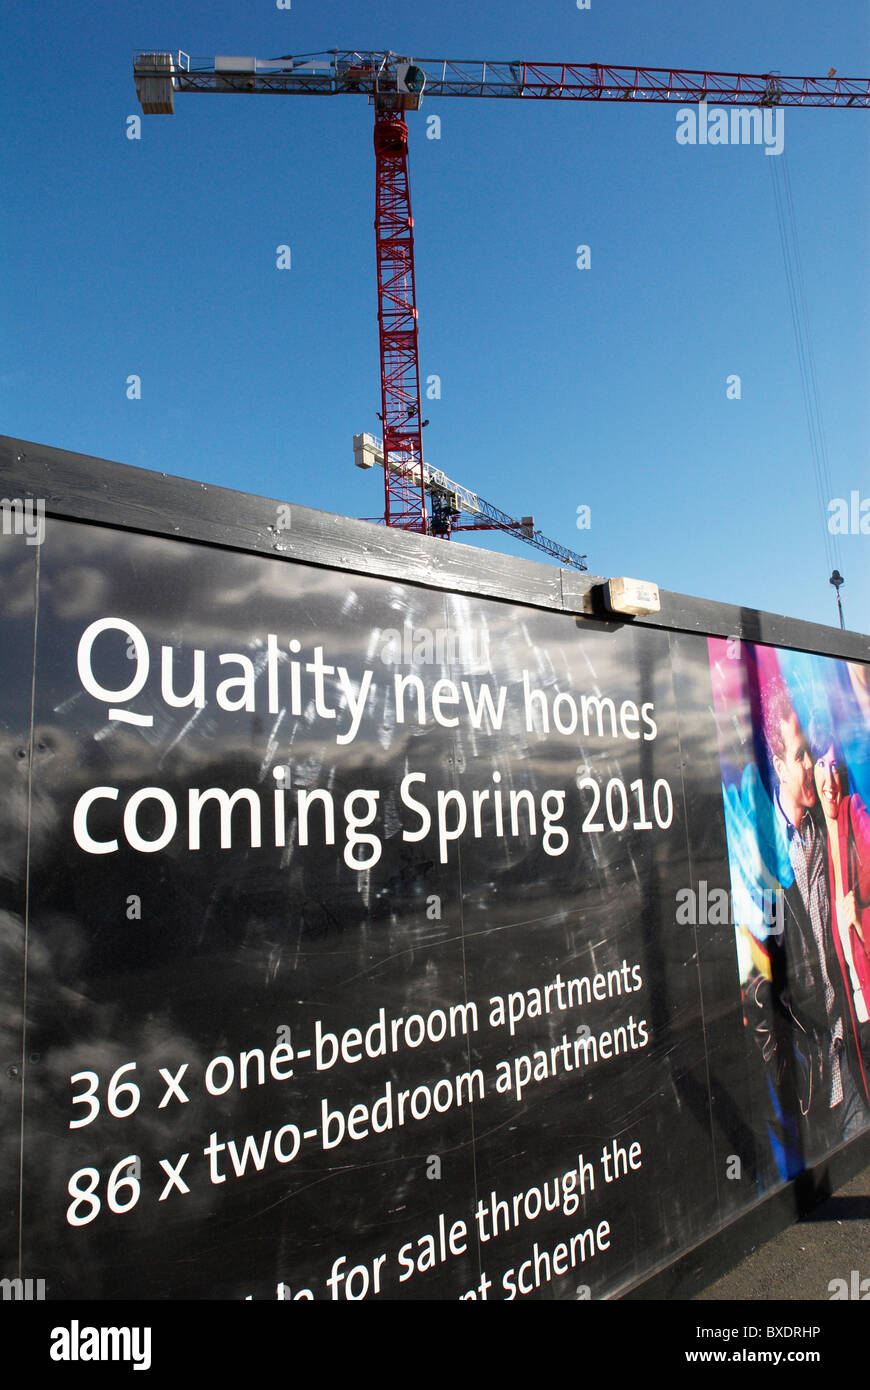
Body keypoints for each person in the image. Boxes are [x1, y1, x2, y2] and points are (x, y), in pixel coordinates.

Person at [759, 681, 864, 1145]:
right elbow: (758, 989)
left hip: (853, 1058)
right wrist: (790, 1071)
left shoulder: (825, 826)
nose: (811, 768)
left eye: (812, 754)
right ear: (778, 764)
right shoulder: (764, 858)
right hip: (811, 1083)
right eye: (800, 756)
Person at [808, 709, 870, 1116]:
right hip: (857, 1022)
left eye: (834, 765)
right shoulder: (816, 848)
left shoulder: (855, 812)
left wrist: (861, 922)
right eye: (819, 765)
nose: (829, 780)